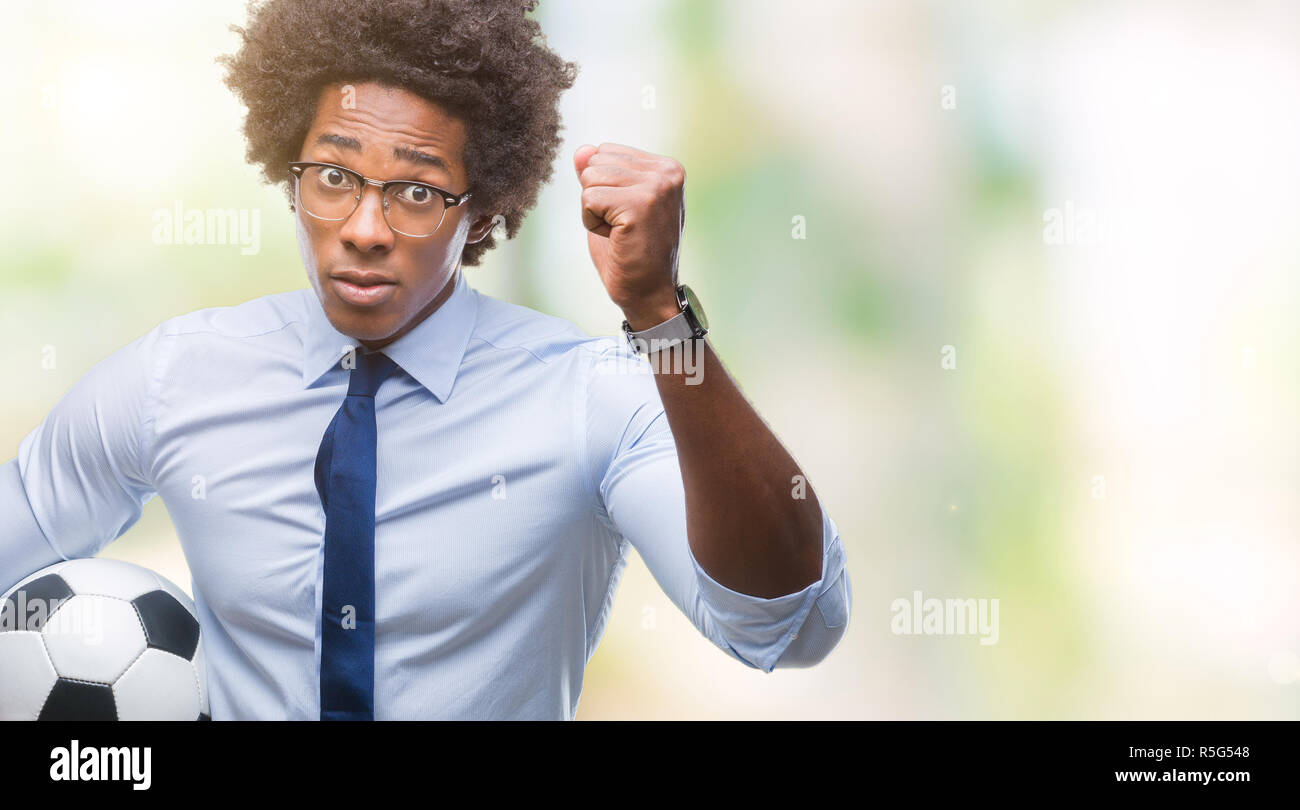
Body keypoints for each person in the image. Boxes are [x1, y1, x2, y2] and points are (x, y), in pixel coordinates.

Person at [0, 0, 851, 720]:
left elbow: (785, 623)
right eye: (333, 176)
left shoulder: (590, 398)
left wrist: (660, 318)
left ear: (479, 215)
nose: (365, 228)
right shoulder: (176, 378)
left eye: (416, 191)